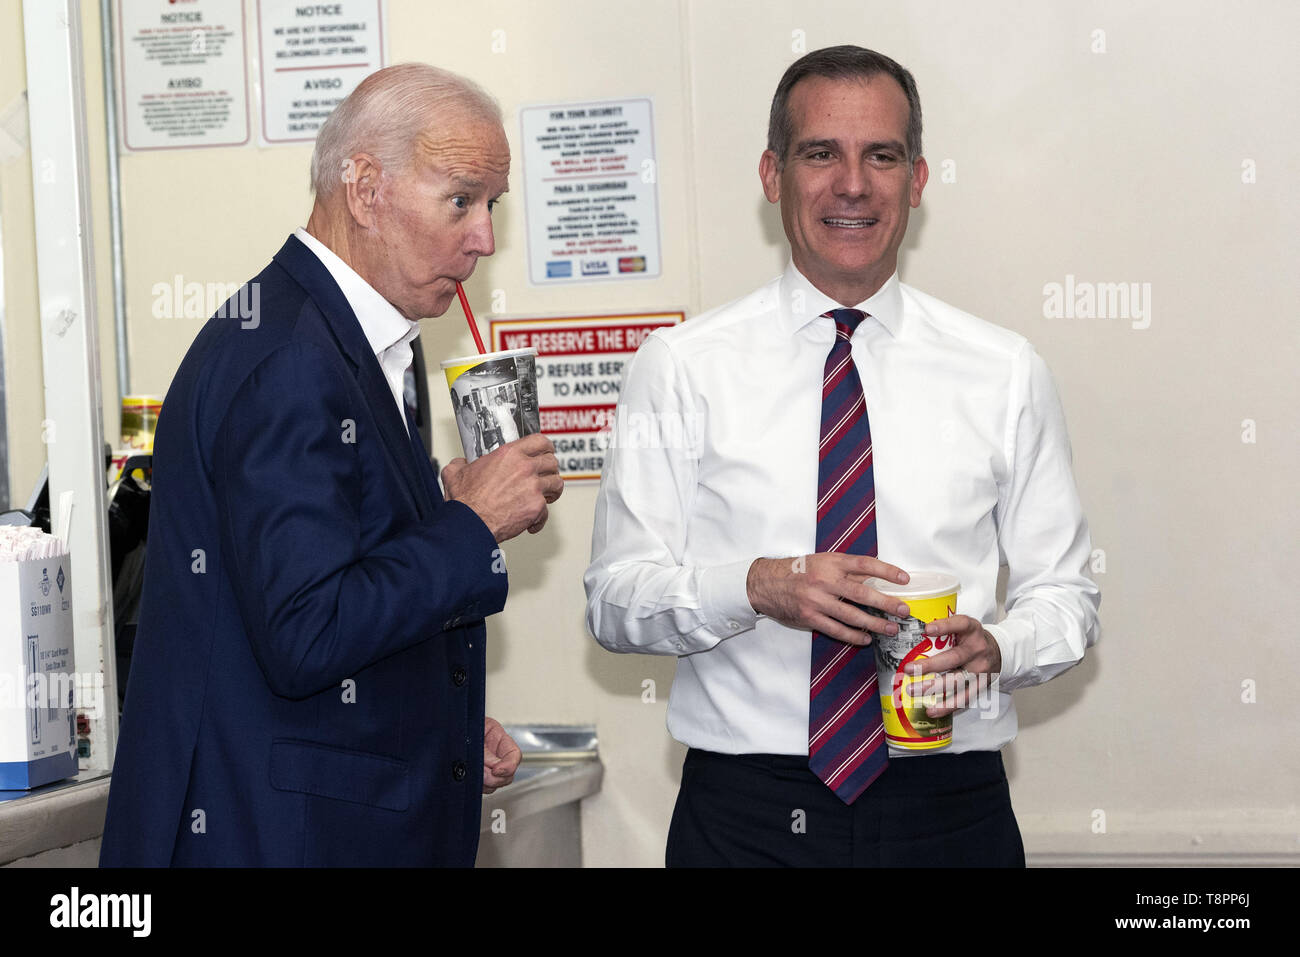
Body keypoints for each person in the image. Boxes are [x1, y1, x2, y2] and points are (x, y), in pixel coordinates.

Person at [584, 45, 1100, 867]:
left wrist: (1001, 648)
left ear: (917, 181)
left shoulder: (1004, 370)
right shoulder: (681, 366)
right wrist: (756, 587)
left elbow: (1068, 597)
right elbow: (613, 602)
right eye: (820, 153)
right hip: (744, 816)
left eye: (881, 156)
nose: (852, 183)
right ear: (772, 175)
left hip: (950, 808)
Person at [100, 63, 563, 867]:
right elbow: (307, 633)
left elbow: (329, 594)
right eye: (462, 199)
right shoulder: (289, 357)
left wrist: (430, 719)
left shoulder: (366, 343)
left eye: (493, 205)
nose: (484, 236)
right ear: (365, 188)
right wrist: (470, 524)